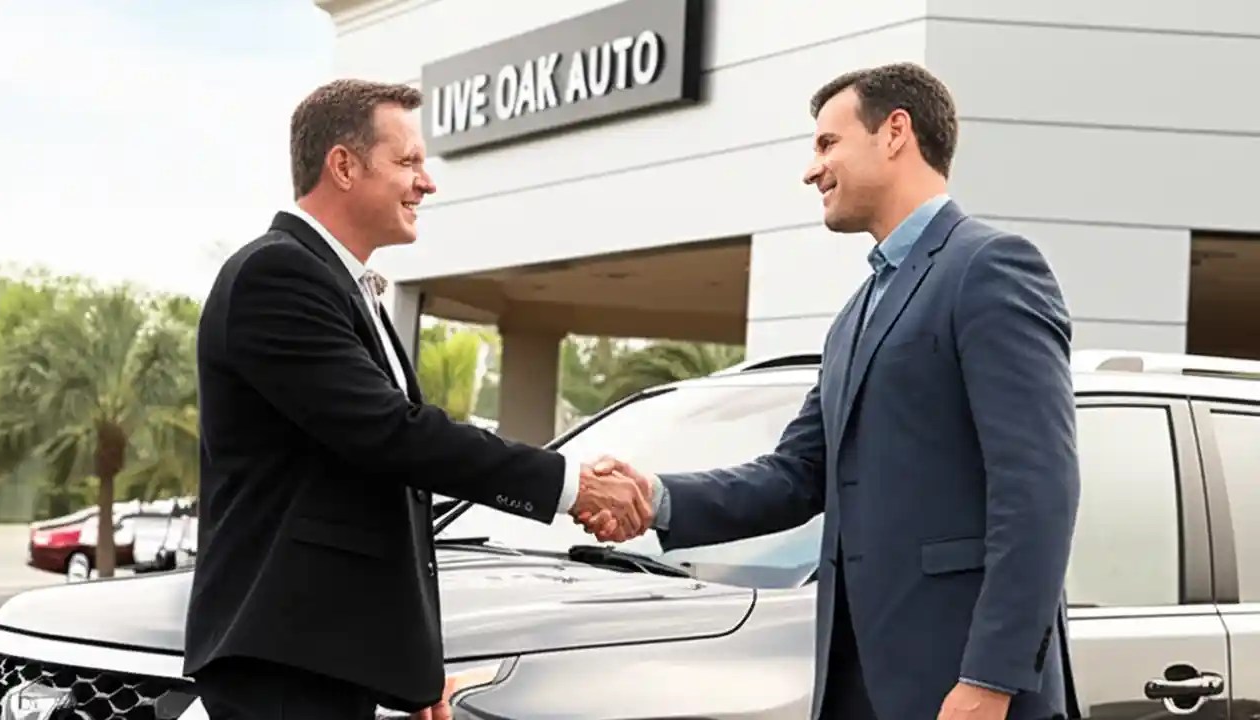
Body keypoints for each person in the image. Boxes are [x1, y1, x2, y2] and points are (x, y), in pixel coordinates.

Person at [580, 62, 1081, 720]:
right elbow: (797, 475)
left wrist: (991, 679)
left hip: (961, 687)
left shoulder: (990, 266)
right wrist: (659, 497)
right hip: (855, 683)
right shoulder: (855, 314)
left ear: (895, 132)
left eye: (826, 143)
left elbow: (1038, 488)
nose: (811, 170)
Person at [184, 79, 653, 720]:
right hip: (287, 663)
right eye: (407, 162)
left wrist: (408, 663)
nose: (426, 182)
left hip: (324, 657)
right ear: (343, 166)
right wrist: (572, 486)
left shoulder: (341, 285)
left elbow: (370, 483)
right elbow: (392, 435)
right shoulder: (278, 275)